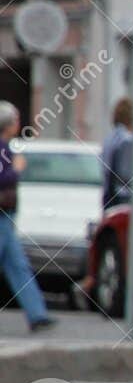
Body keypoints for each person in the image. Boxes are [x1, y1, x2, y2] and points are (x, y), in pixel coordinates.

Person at [0, 101, 56, 333]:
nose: (19, 125)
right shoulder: (3, 148)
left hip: (6, 214)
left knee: (18, 265)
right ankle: (37, 314)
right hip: (1, 214)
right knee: (16, 265)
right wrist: (17, 170)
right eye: (16, 121)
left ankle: (37, 314)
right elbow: (3, 178)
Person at [102, 98, 133, 209]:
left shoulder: (109, 139)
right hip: (123, 197)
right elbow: (126, 174)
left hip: (107, 193)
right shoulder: (128, 140)